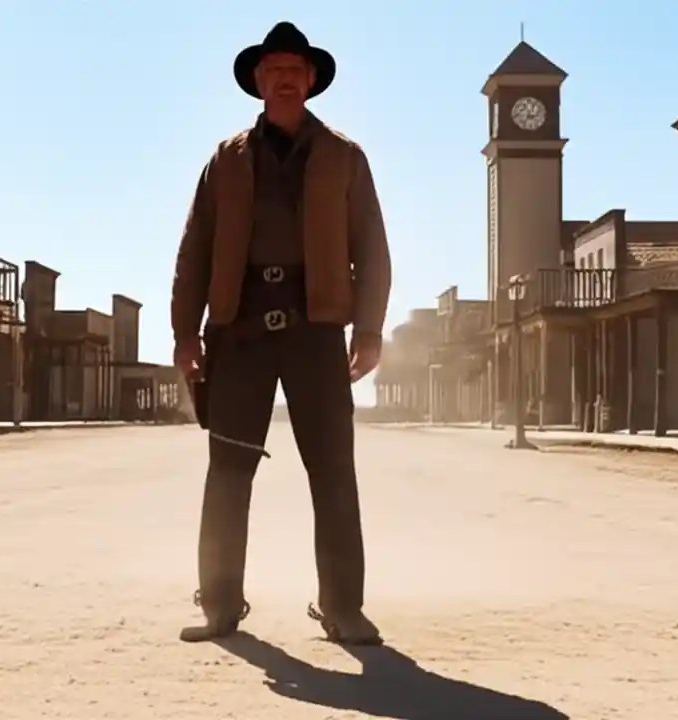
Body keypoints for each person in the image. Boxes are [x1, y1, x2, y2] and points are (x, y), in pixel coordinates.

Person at [170, 21, 392, 645]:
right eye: (275, 70)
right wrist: (186, 332)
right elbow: (196, 249)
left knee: (333, 470)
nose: (286, 79)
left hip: (316, 329)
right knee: (228, 470)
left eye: (296, 69)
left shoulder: (345, 158)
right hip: (237, 330)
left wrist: (369, 329)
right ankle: (219, 605)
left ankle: (343, 607)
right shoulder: (226, 159)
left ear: (312, 80)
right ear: (259, 82)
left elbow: (371, 245)